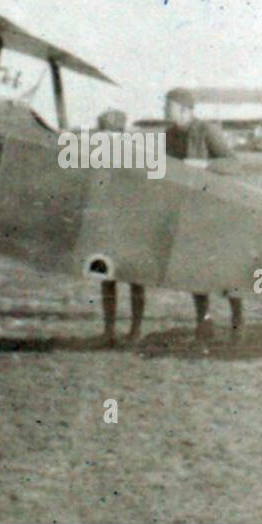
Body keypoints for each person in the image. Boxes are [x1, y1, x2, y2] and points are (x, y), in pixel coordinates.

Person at [162, 89, 244, 344]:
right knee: (194, 270)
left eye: (168, 107)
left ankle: (237, 322)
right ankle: (204, 323)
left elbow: (233, 164)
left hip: (216, 211)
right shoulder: (169, 136)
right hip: (188, 211)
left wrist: (203, 166)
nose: (164, 112)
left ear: (185, 110)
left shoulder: (207, 131)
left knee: (227, 269)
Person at [93, 109, 146, 346]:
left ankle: (135, 330)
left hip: (133, 224)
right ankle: (109, 329)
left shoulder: (136, 156)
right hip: (111, 224)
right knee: (107, 278)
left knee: (135, 278)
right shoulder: (100, 157)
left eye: (108, 133)